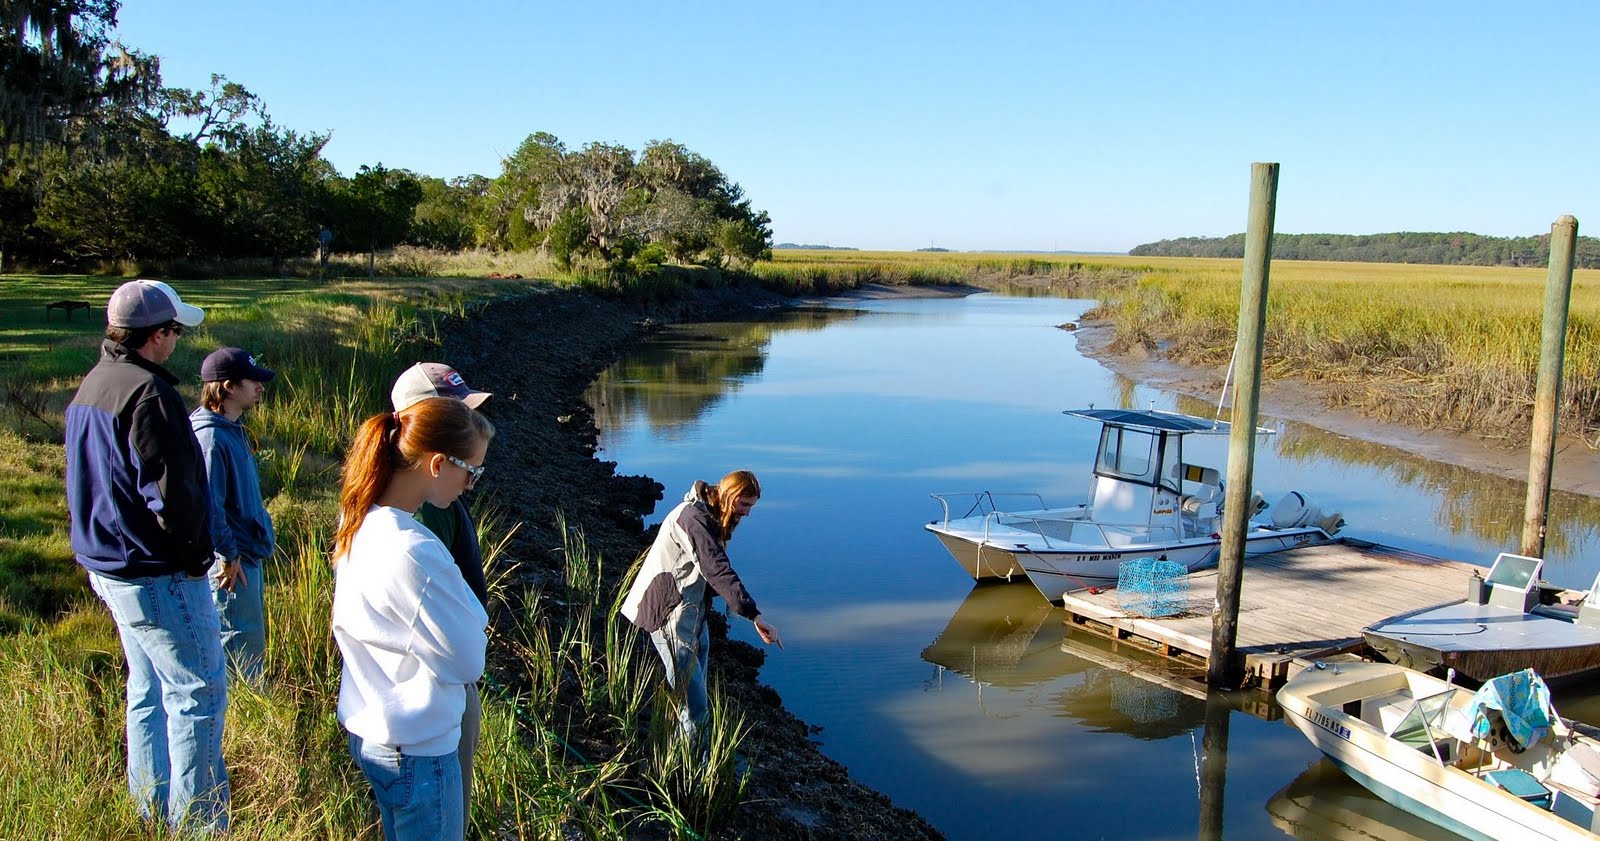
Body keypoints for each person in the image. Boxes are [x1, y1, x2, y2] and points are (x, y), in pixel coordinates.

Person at [64, 279, 229, 832]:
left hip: (106, 564)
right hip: (153, 571)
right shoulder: (149, 395)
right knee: (197, 693)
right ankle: (199, 824)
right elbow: (171, 491)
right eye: (176, 330)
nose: (178, 340)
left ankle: (149, 808)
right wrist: (194, 556)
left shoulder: (94, 383)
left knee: (148, 688)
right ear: (157, 335)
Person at [332, 397, 492, 841]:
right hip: (418, 754)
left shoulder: (359, 518)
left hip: (375, 735)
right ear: (438, 464)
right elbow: (468, 661)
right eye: (471, 471)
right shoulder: (414, 550)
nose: (471, 485)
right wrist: (468, 613)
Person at [390, 361, 492, 818]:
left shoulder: (430, 495)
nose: (467, 422)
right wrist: (470, 649)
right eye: (458, 412)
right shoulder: (420, 513)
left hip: (435, 696)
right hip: (435, 700)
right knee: (446, 811)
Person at [620, 470, 782, 745]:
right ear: (729, 495)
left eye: (751, 506)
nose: (747, 513)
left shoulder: (709, 515)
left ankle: (677, 749)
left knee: (692, 693)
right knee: (694, 703)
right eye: (744, 505)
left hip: (693, 615)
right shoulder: (692, 519)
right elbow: (716, 569)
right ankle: (694, 767)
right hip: (668, 615)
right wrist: (754, 616)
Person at [191, 347, 277, 681]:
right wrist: (228, 554)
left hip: (245, 554)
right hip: (232, 563)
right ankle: (243, 713)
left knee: (248, 638)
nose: (260, 387)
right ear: (228, 387)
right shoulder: (211, 438)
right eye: (253, 381)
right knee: (237, 642)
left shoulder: (232, 430)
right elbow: (210, 507)